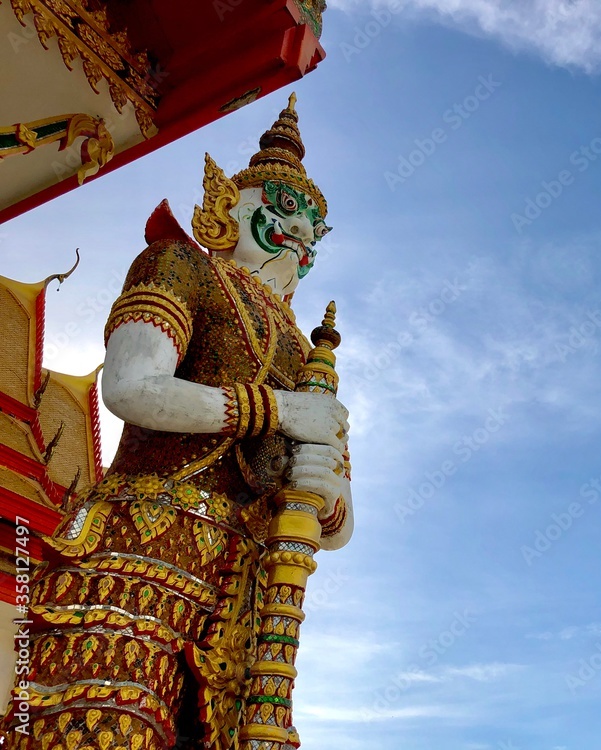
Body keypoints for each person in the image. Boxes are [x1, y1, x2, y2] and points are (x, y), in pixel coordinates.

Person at [1, 95, 352, 750]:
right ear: (230, 209)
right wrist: (273, 410)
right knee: (100, 727)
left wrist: (329, 492)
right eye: (283, 214)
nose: (300, 239)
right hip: (138, 550)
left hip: (247, 599)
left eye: (313, 232)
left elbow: (334, 522)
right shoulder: (179, 266)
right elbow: (131, 387)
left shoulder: (311, 362)